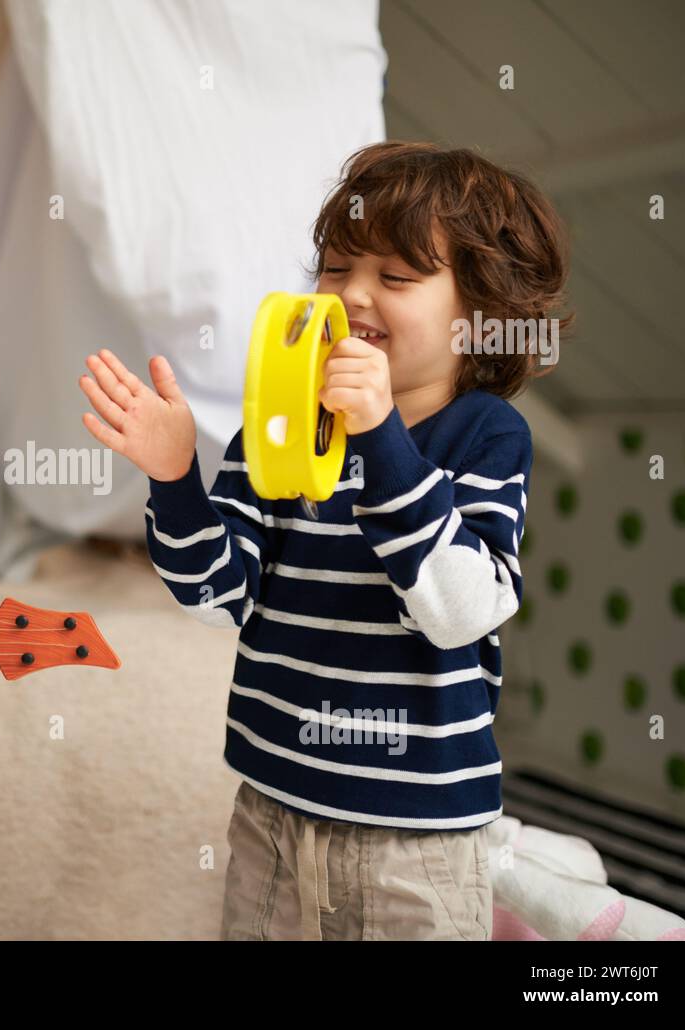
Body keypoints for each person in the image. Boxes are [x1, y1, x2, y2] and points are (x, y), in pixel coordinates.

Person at [79, 141, 570, 940]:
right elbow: (217, 598)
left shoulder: (487, 435)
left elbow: (462, 608)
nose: (353, 296)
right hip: (271, 812)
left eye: (397, 278)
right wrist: (174, 478)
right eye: (338, 268)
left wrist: (378, 436)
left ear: (484, 316)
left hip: (419, 837)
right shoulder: (277, 427)